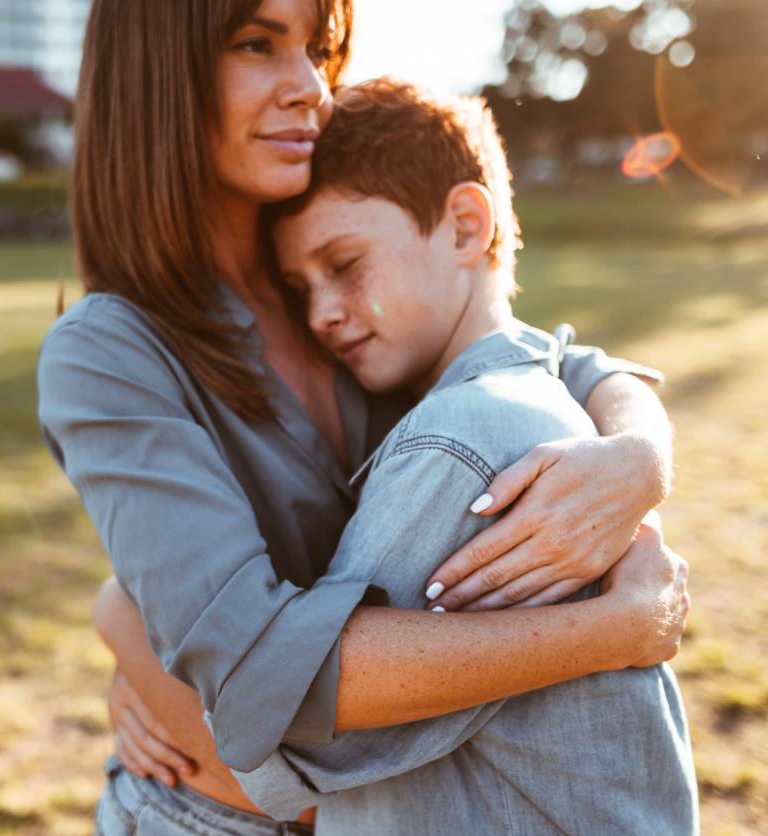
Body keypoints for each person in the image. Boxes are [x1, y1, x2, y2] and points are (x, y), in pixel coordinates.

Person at [36, 0, 688, 832]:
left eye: (318, 47)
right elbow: (255, 675)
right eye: (256, 44)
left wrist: (640, 451)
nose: (310, 86)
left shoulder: (337, 266)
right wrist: (613, 631)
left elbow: (544, 357)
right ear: (155, 75)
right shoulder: (111, 350)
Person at [207, 77, 697, 833]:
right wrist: (644, 449)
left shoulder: (459, 445)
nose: (321, 313)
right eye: (300, 288)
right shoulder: (530, 392)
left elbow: (297, 726)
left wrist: (125, 638)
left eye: (345, 264)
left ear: (467, 227)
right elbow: (571, 355)